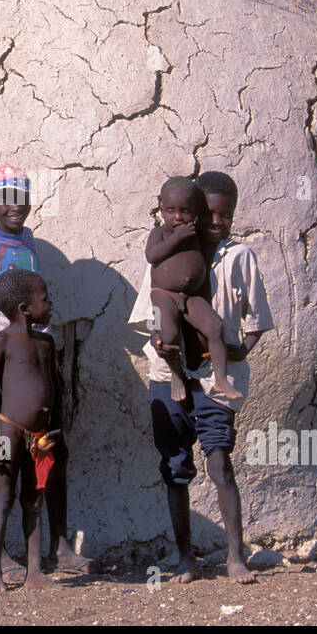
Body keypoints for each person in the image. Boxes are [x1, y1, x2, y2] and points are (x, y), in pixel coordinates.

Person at [129, 170, 272, 584]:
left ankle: (234, 556)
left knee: (219, 461)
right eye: (208, 214)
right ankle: (185, 558)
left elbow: (257, 318)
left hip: (213, 379)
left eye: (224, 215)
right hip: (167, 373)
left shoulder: (238, 257)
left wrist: (240, 350)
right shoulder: (170, 254)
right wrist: (160, 339)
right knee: (174, 466)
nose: (215, 223)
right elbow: (151, 306)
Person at [0, 164, 95, 579]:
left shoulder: (29, 241)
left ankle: (55, 547)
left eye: (20, 199)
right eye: (5, 199)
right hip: (5, 367)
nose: (14, 208)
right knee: (2, 466)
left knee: (49, 459)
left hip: (34, 360)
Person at [0, 269, 63, 592]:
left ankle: (34, 571)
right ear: (25, 309)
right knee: (1, 498)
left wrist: (58, 427)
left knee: (35, 498)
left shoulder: (46, 342)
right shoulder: (1, 342)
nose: (51, 303)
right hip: (7, 432)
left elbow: (55, 387)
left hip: (41, 435)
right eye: (45, 299)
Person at [145, 176, 240, 403]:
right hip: (163, 294)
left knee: (215, 327)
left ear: (195, 213)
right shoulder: (160, 234)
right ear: (161, 209)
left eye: (186, 211)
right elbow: (152, 255)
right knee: (168, 335)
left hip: (191, 297)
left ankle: (221, 378)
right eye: (171, 211)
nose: (178, 217)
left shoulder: (196, 232)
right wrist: (177, 238)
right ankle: (176, 374)